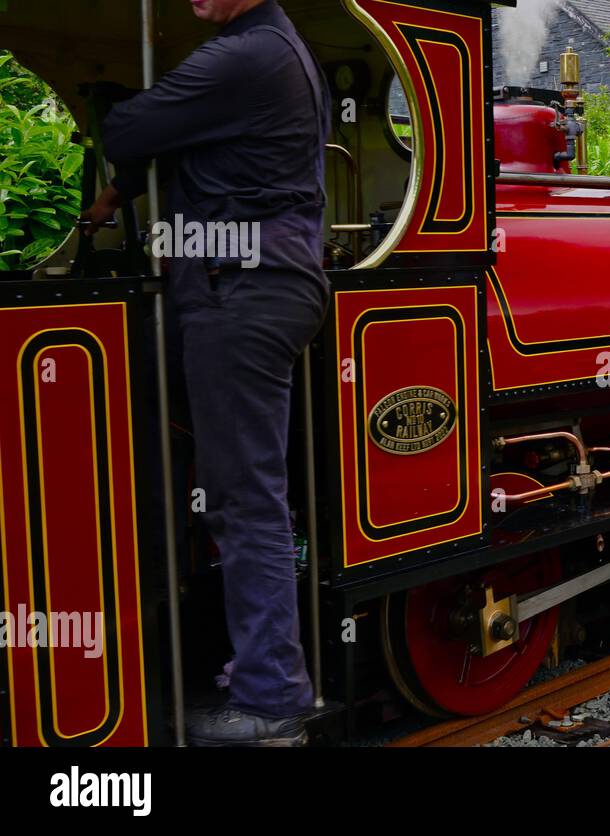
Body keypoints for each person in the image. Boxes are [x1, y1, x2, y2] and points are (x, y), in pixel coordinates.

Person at [82, 0, 330, 746]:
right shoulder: (273, 50)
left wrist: (118, 115)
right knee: (249, 493)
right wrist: (126, 187)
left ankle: (271, 700)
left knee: (246, 500)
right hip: (262, 279)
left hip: (241, 288)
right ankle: (254, 667)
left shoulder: (243, 54)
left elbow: (127, 130)